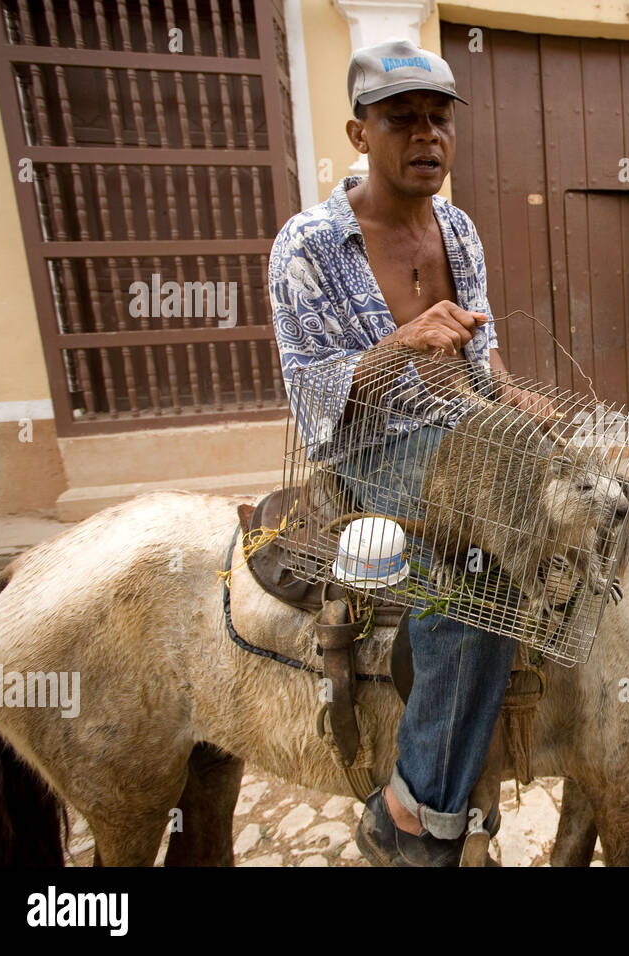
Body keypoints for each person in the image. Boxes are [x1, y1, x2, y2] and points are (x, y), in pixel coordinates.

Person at [268, 38, 541, 866]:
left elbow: (478, 347)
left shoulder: (457, 229)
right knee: (480, 574)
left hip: (458, 427)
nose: (427, 138)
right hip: (371, 448)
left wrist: (511, 396)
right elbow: (311, 396)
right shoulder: (308, 246)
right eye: (401, 121)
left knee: (574, 507)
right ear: (359, 134)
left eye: (438, 120)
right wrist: (399, 345)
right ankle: (411, 806)